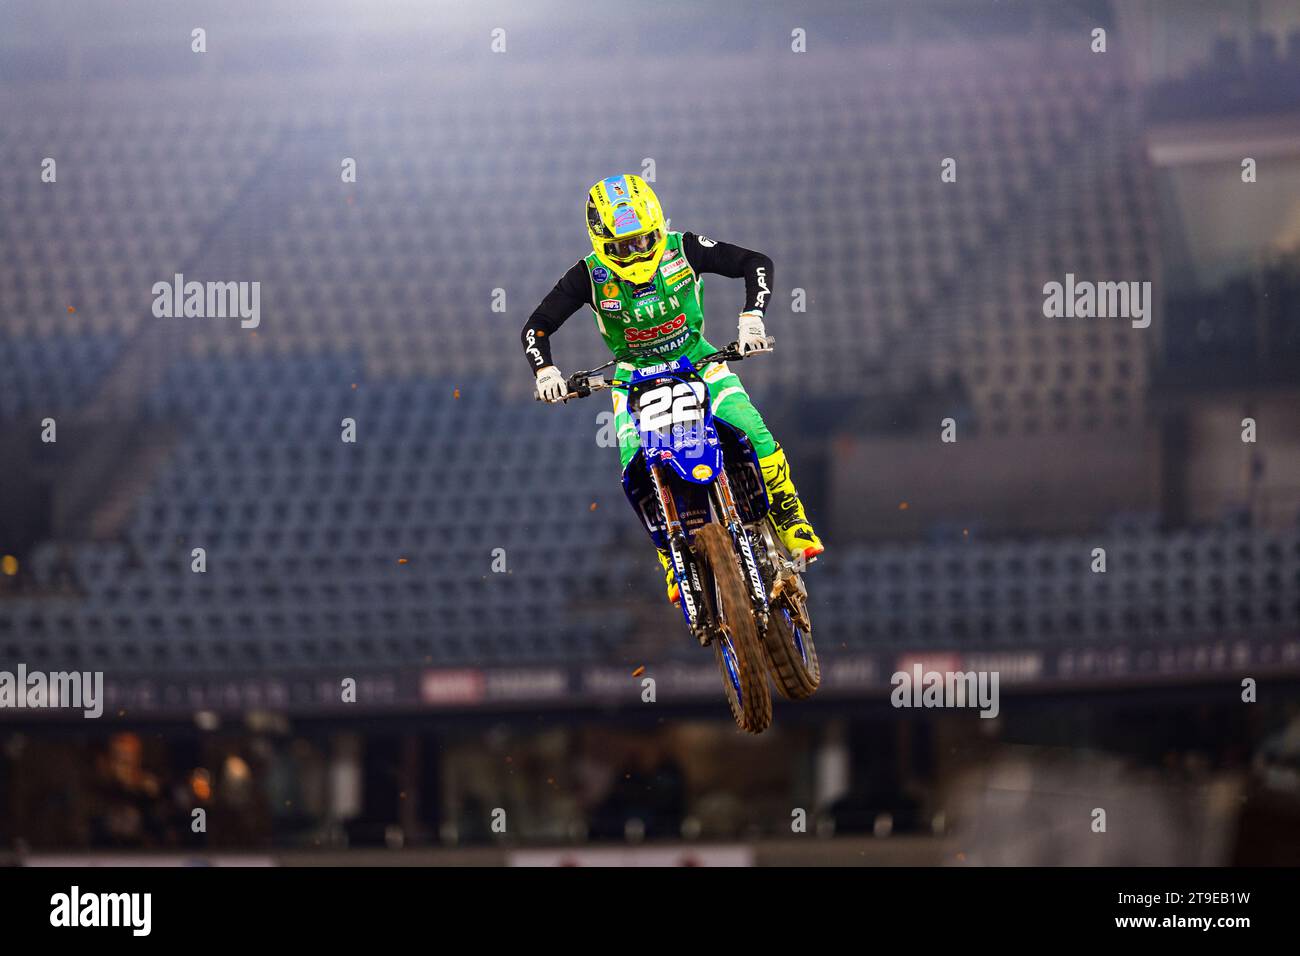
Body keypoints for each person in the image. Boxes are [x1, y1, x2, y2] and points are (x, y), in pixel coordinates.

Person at [522, 174, 823, 603]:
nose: (638, 251)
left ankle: (793, 521)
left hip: (698, 361)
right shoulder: (586, 275)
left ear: (658, 226)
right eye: (624, 246)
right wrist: (546, 372)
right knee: (635, 468)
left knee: (753, 434)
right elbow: (536, 328)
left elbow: (755, 262)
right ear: (600, 242)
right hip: (632, 378)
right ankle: (671, 558)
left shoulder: (684, 248)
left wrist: (752, 317)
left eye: (645, 240)